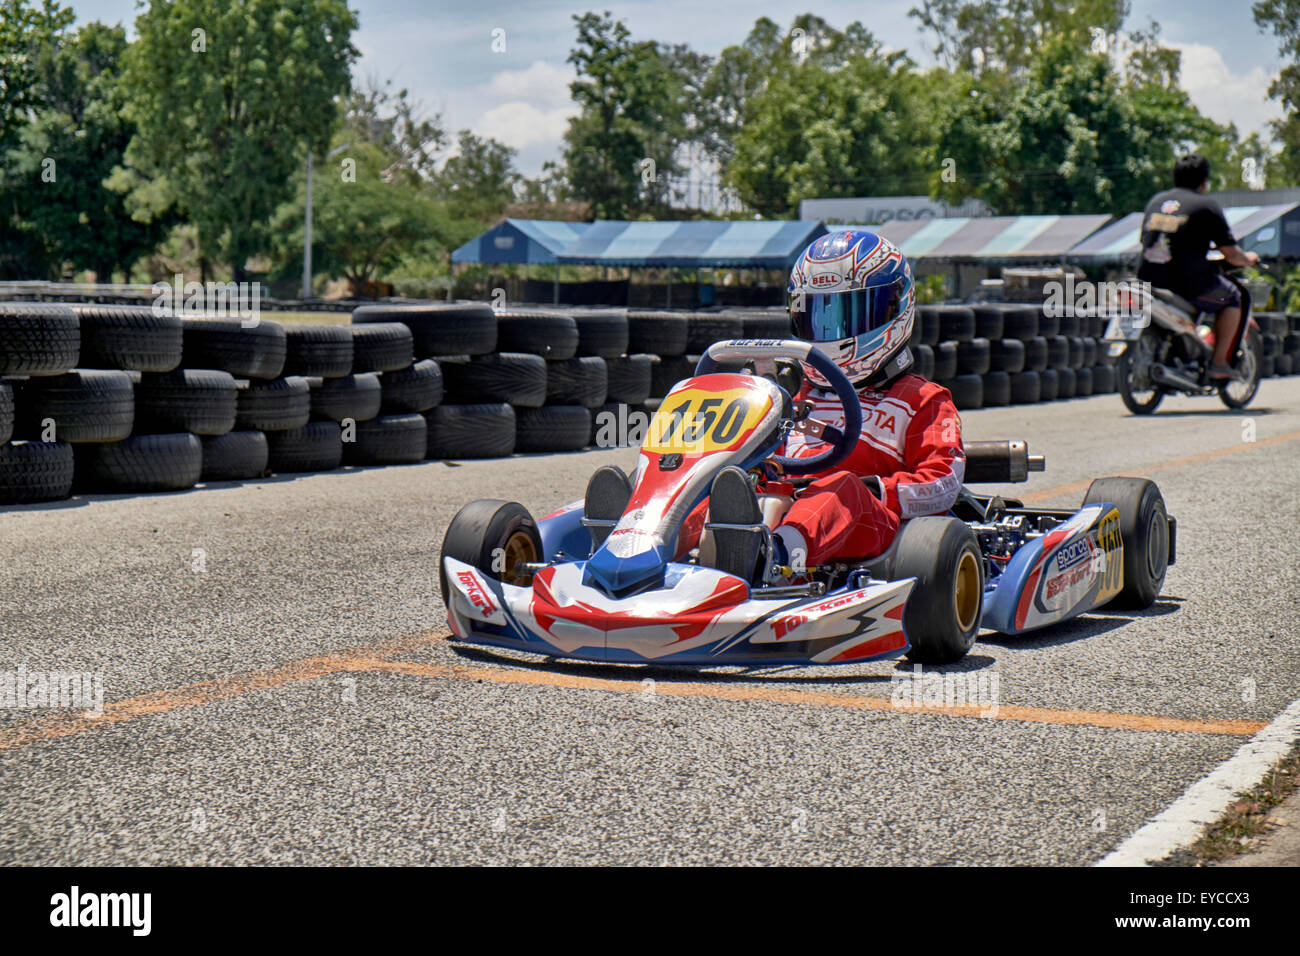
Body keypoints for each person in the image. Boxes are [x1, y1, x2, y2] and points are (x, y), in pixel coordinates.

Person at [708, 229, 965, 580]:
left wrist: (875, 489)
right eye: (819, 315)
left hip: (870, 523)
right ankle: (644, 546)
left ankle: (772, 559)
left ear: (895, 307)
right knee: (720, 479)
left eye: (848, 313)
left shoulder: (922, 401)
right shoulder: (792, 399)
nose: (831, 330)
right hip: (781, 509)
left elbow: (944, 481)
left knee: (839, 488)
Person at [1137, 154, 1260, 379]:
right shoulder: (1206, 206)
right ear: (1204, 181)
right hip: (1188, 284)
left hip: (1148, 278)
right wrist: (1248, 259)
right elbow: (1231, 254)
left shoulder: (1156, 202)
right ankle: (1219, 363)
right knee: (1234, 298)